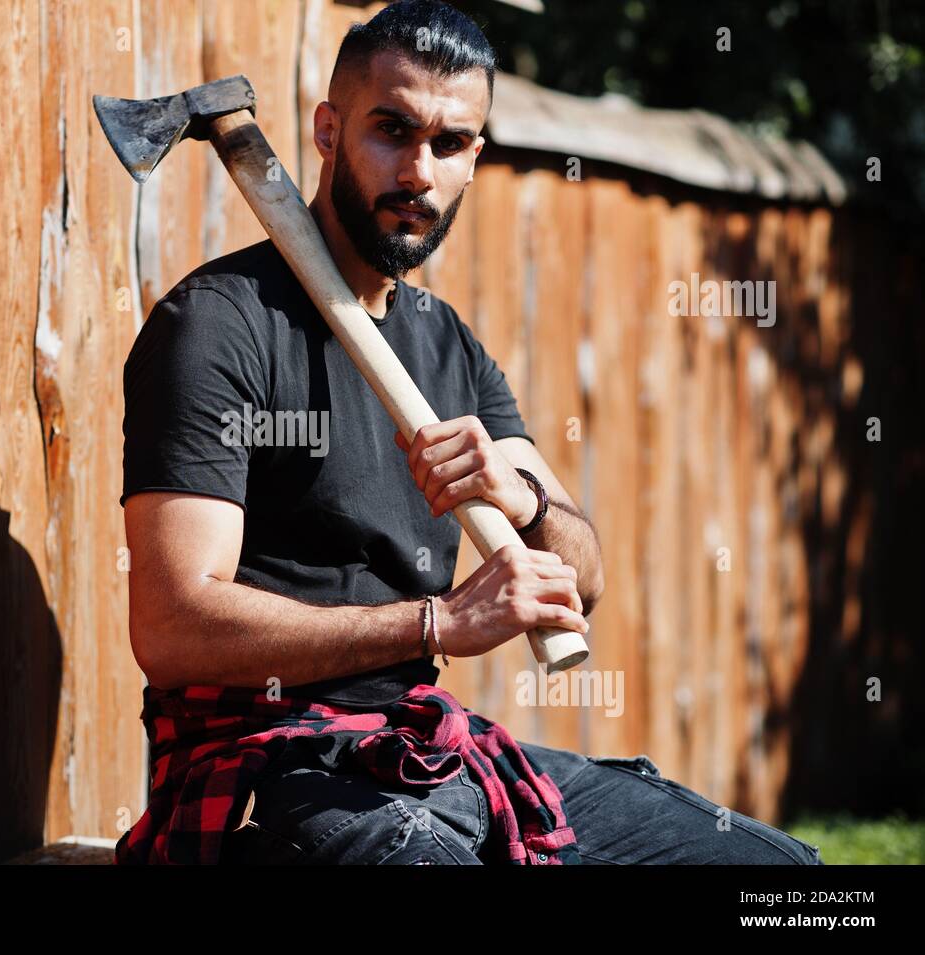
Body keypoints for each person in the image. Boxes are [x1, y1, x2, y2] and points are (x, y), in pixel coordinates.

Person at [114, 0, 822, 865]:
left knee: (781, 877)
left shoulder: (446, 346)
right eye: (392, 130)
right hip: (265, 759)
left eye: (448, 143)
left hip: (422, 747)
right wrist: (435, 624)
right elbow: (172, 623)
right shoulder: (217, 325)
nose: (418, 169)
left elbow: (578, 579)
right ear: (327, 129)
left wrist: (515, 494)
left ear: (474, 158)